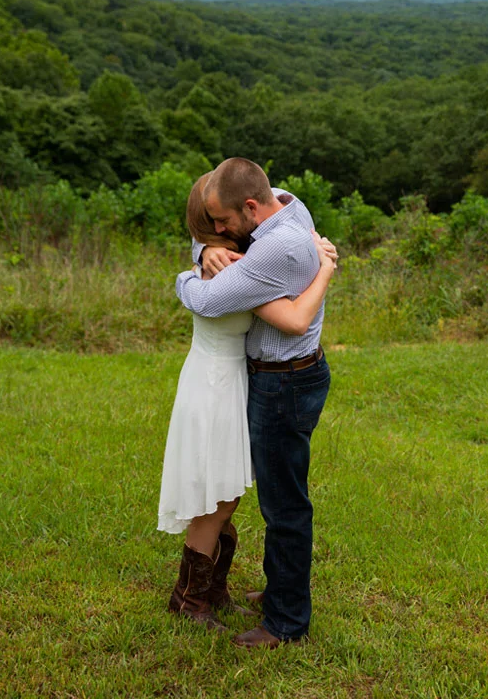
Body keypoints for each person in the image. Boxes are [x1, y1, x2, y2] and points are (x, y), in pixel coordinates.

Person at [159, 172, 337, 632]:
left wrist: (199, 255)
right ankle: (195, 597)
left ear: (252, 209)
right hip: (222, 384)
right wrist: (193, 264)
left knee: (248, 498)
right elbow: (203, 297)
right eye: (211, 226)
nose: (221, 230)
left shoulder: (260, 252)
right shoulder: (255, 245)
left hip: (257, 381)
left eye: (225, 222)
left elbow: (289, 318)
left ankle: (259, 606)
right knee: (222, 495)